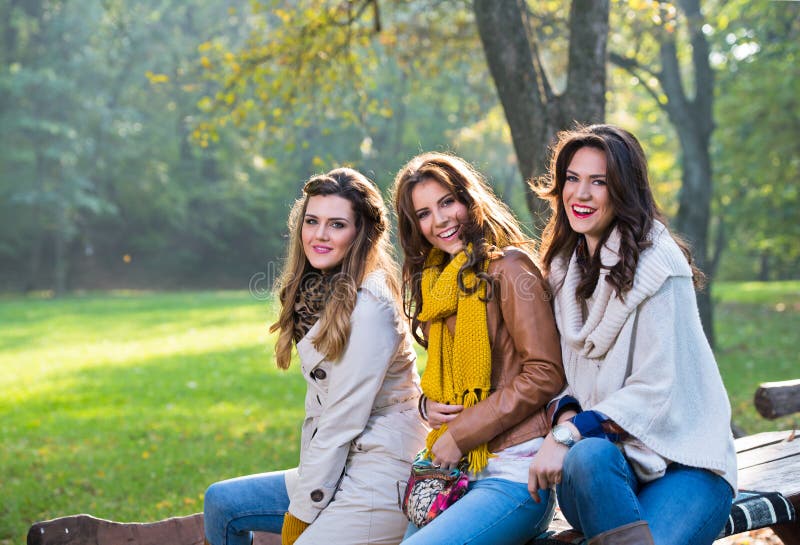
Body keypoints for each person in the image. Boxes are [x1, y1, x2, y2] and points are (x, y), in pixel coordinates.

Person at [528, 124, 737, 545]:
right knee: (589, 455)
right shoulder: (562, 271)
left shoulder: (659, 266)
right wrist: (566, 420)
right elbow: (558, 377)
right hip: (599, 468)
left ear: (624, 190)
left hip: (684, 461)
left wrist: (568, 433)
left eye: (599, 182)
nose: (581, 194)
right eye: (572, 178)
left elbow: (657, 390)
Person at [203, 168, 428, 545]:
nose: (320, 235)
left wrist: (302, 513)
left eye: (336, 224)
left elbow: (341, 421)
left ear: (361, 234)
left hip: (384, 471)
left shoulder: (370, 306)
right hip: (341, 463)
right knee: (222, 503)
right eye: (312, 221)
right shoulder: (322, 290)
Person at [391, 152, 565, 545]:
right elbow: (449, 383)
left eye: (447, 202)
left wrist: (461, 434)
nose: (440, 220)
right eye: (424, 214)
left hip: (515, 474)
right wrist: (427, 406)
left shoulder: (510, 267)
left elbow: (545, 372)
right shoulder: (436, 282)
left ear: (469, 200)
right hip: (454, 474)